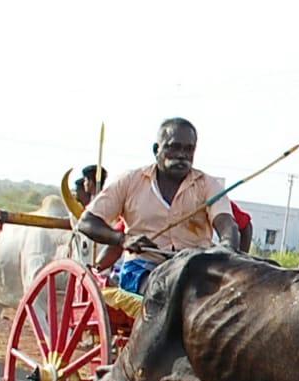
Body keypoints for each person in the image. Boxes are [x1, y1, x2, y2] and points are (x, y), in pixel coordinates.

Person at [78, 118, 240, 294]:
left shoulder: (208, 185)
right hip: (141, 270)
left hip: (195, 271)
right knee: (165, 293)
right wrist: (123, 240)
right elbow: (86, 222)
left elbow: (226, 224)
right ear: (156, 150)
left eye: (189, 149)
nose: (182, 155)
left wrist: (226, 246)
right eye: (174, 147)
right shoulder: (130, 181)